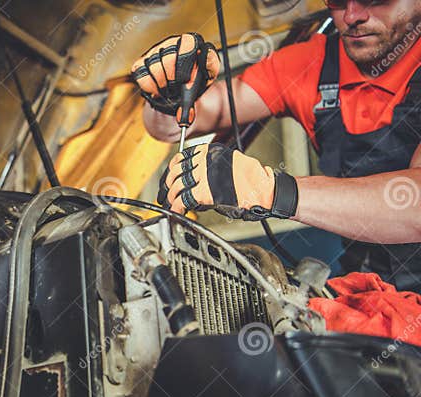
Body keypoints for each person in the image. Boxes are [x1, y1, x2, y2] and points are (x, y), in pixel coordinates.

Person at [132, 0, 421, 292]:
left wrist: (272, 190)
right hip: (371, 290)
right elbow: (176, 124)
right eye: (337, 1)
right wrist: (168, 96)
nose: (351, 16)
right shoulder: (313, 63)